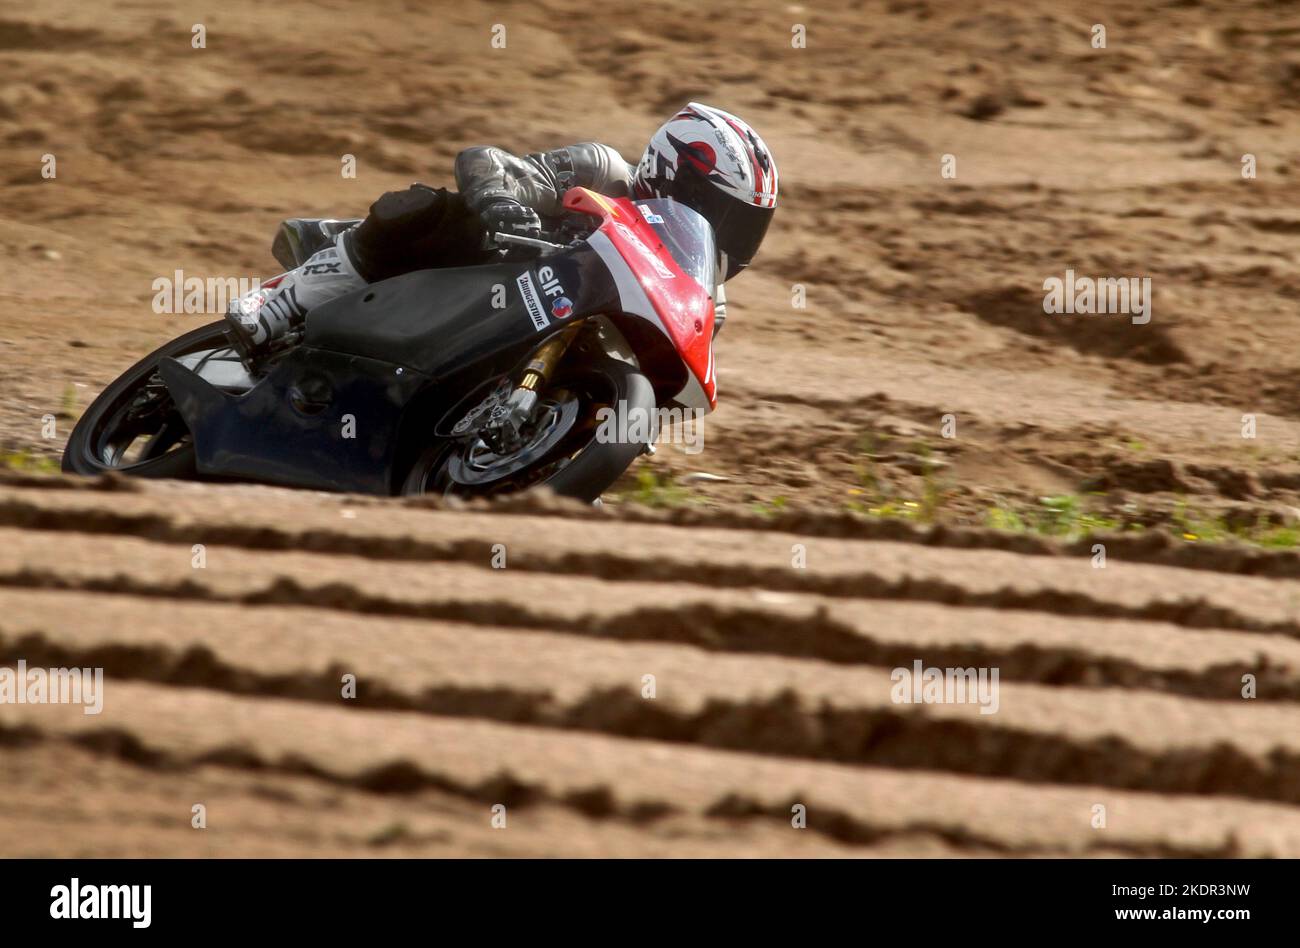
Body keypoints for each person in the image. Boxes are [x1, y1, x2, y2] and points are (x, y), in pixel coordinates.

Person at [223, 102, 779, 361]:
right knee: (430, 208)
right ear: (669, 169)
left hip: (512, 348)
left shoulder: (704, 302)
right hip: (466, 276)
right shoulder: (606, 172)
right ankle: (285, 302)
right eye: (718, 211)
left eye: (744, 226)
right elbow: (488, 161)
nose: (726, 235)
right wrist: (499, 202)